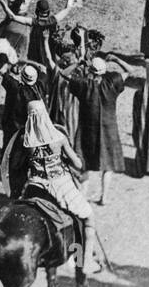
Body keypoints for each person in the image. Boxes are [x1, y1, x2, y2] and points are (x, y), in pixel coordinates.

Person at [19, 96, 95, 274]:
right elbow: (77, 164)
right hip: (60, 184)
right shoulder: (58, 138)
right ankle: (86, 260)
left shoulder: (26, 140)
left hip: (36, 184)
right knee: (89, 216)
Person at [70, 53, 133, 205]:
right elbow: (130, 71)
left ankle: (82, 196)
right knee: (108, 164)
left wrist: (79, 64)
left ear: (90, 71)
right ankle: (104, 197)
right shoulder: (113, 81)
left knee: (83, 162)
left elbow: (64, 74)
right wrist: (117, 59)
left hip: (87, 128)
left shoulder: (83, 84)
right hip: (109, 126)